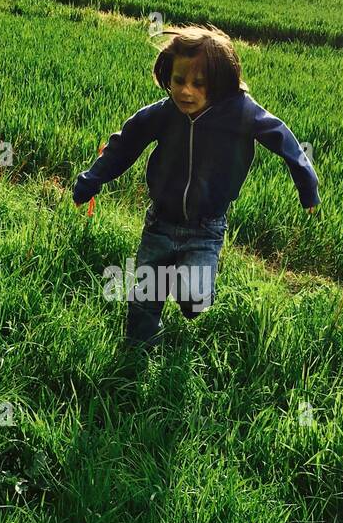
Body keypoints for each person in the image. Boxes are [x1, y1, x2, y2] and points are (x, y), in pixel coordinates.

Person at [72, 24, 319, 349]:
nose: (186, 91)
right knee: (144, 299)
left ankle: (189, 291)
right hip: (159, 222)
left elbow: (284, 139)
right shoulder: (162, 114)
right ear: (168, 77)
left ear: (219, 84)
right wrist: (91, 181)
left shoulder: (241, 114)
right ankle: (136, 354)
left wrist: (307, 187)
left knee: (194, 301)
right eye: (179, 81)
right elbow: (123, 145)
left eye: (198, 84)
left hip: (206, 228)